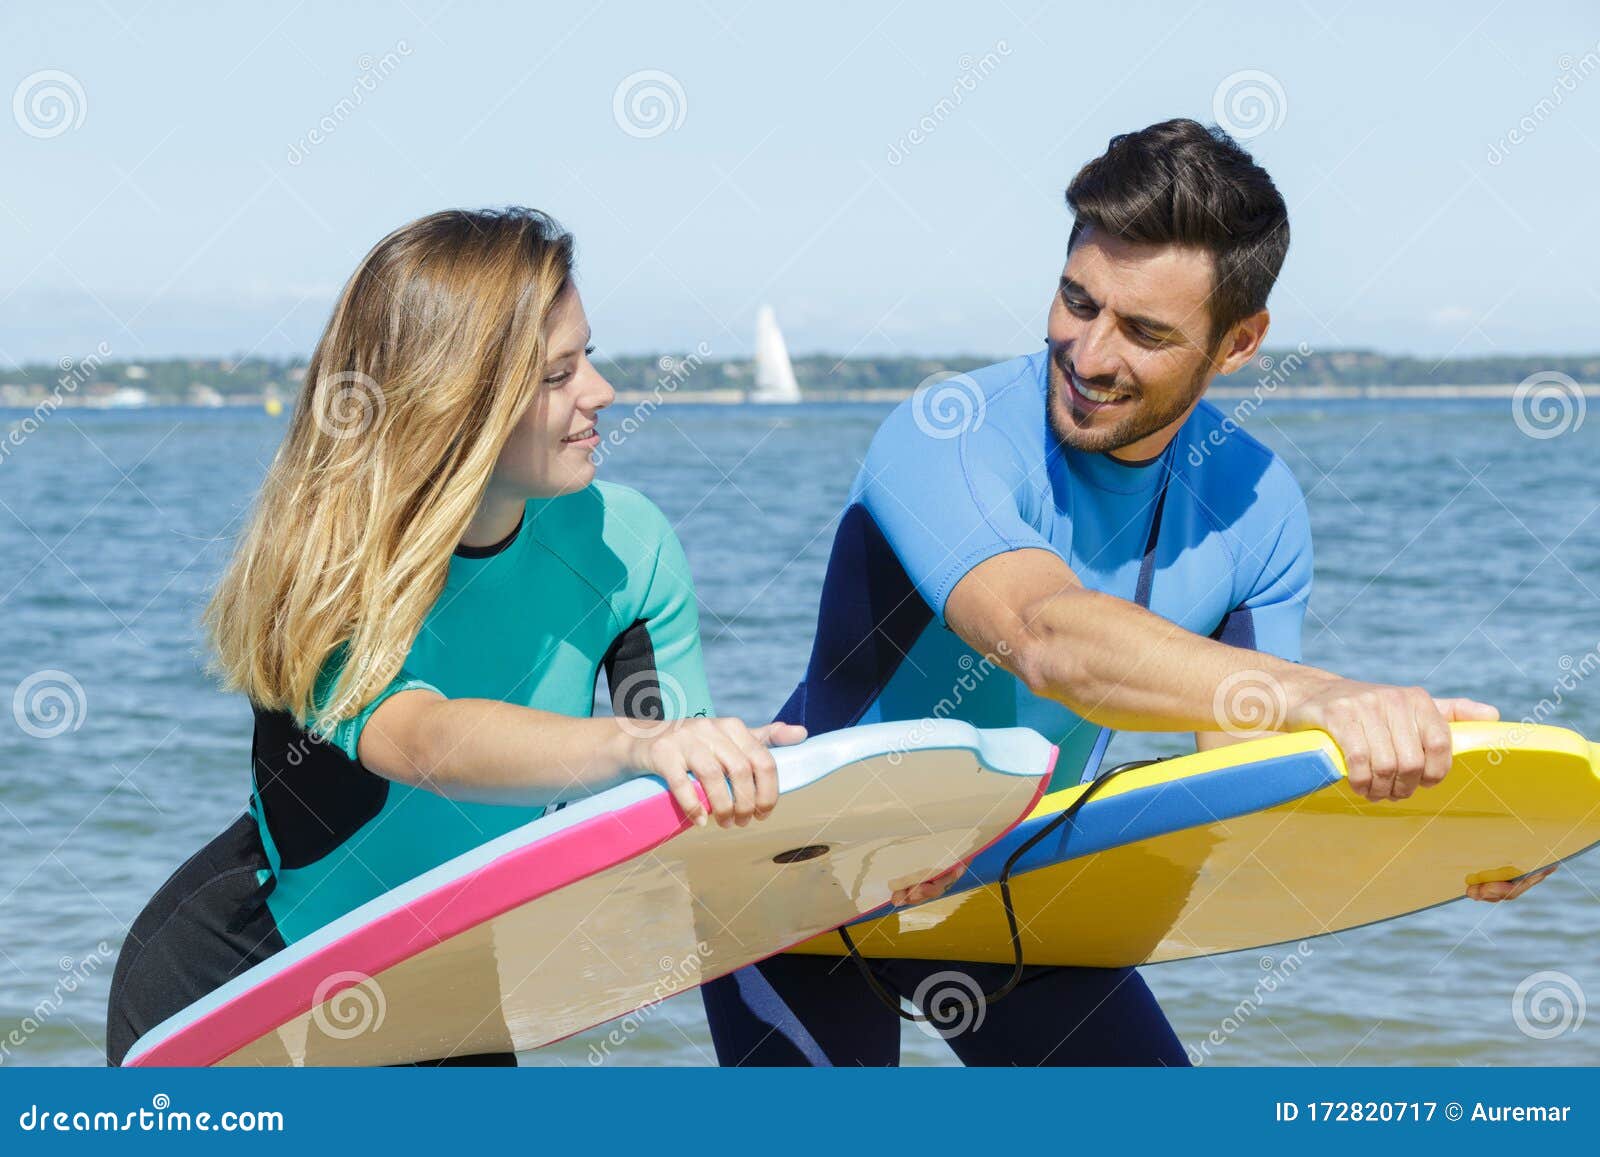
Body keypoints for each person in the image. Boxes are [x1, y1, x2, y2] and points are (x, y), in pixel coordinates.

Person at [701, 118, 1550, 1068]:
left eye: (1145, 332)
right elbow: (1044, 636)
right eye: (1077, 300)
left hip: (1009, 877)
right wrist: (1321, 694)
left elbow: (1247, 780)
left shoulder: (1255, 505)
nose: (1092, 354)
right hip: (804, 884)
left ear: (1239, 343)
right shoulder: (946, 435)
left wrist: (1454, 824)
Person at [105, 208, 803, 1066]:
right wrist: (636, 742)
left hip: (449, 993)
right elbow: (425, 738)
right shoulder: (334, 572)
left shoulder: (629, 547)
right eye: (557, 374)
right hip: (245, 988)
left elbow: (685, 809)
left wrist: (861, 866)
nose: (601, 391)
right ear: (459, 402)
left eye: (587, 355)